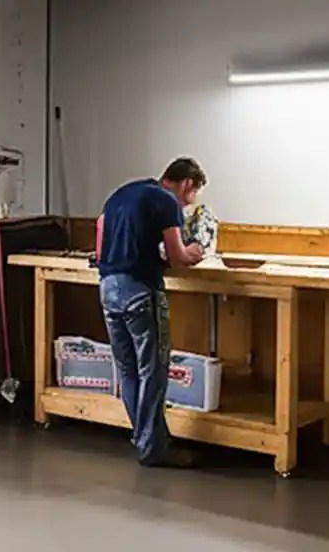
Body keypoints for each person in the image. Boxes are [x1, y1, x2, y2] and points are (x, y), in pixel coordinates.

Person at [95, 157, 207, 467]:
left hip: (108, 288)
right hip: (139, 290)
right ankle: (152, 448)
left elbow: (100, 239)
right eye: (191, 196)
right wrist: (194, 252)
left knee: (129, 370)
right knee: (153, 371)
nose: (187, 205)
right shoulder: (165, 201)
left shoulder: (122, 194)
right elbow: (177, 255)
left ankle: (144, 438)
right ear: (186, 184)